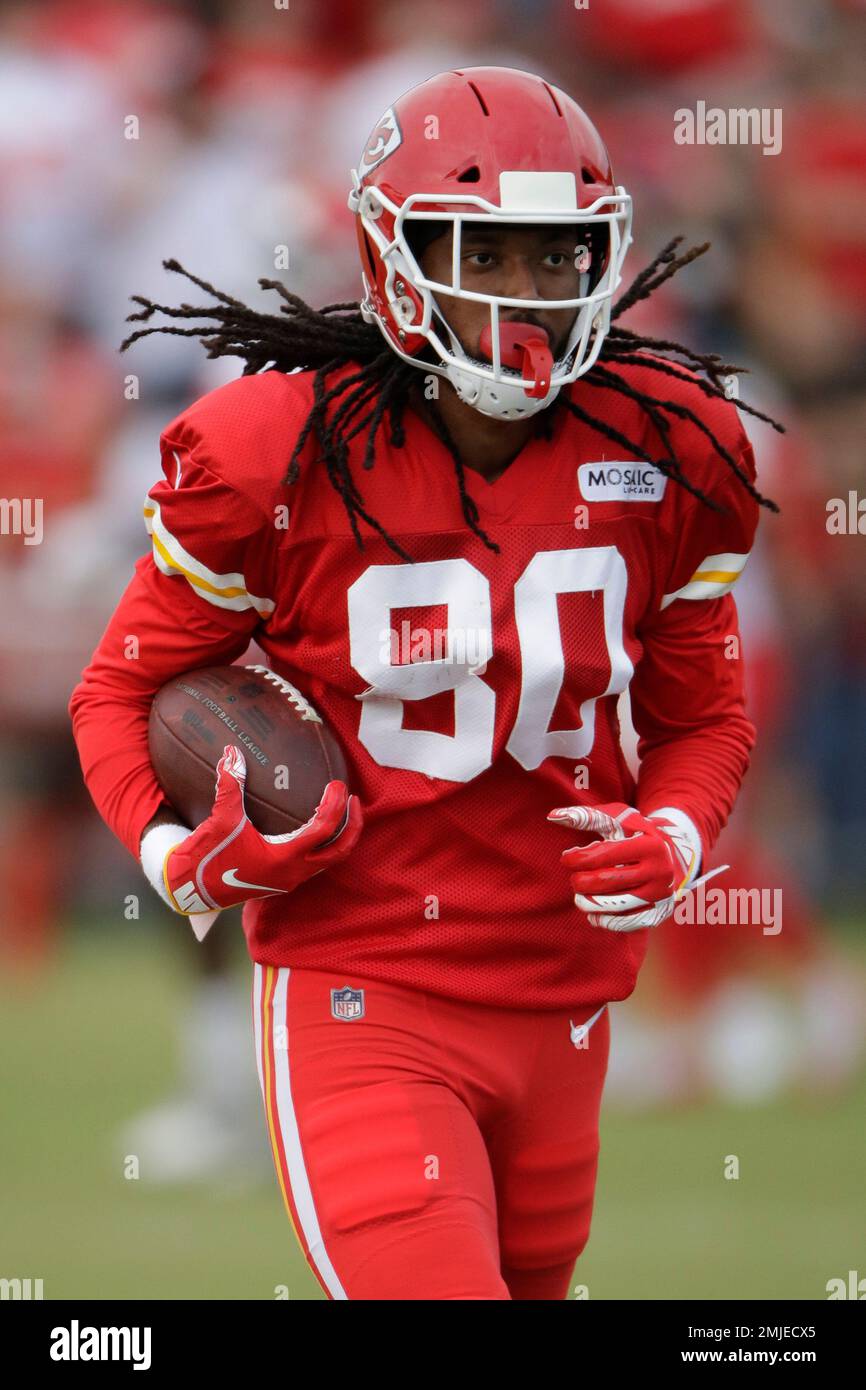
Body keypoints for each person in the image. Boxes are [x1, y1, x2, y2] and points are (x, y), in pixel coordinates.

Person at [69, 66, 782, 1300]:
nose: (520, 294)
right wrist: (179, 860)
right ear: (394, 256)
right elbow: (120, 690)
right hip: (365, 990)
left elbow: (701, 714)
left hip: (563, 999)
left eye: (554, 257)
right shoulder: (274, 443)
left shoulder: (669, 443)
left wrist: (672, 833)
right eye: (480, 250)